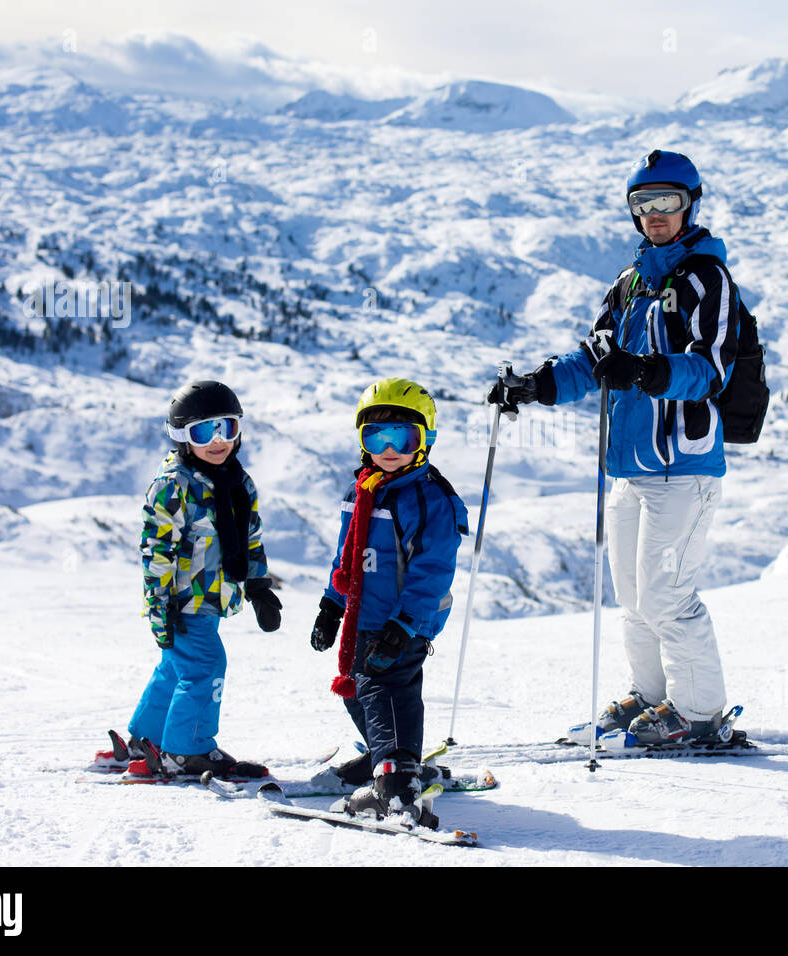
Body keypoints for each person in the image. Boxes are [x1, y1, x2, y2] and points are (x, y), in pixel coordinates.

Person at [487, 149, 740, 745]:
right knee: (632, 596)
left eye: (667, 202)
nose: (655, 214)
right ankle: (652, 699)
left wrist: (647, 371)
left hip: (684, 467)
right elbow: (595, 359)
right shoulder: (628, 284)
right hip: (628, 466)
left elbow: (711, 369)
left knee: (666, 593)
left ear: (690, 204)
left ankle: (700, 716)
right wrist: (536, 384)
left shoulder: (709, 277)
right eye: (643, 203)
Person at [310, 378, 468, 826]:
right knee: (360, 693)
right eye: (375, 436)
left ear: (426, 438)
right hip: (364, 616)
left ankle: (396, 791)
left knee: (388, 691)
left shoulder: (430, 497)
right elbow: (347, 556)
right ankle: (390, 758)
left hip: (404, 621)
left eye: (402, 435)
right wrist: (331, 605)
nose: (388, 447)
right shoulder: (361, 489)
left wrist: (404, 626)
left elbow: (433, 570)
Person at [124, 380, 281, 776]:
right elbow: (156, 553)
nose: (217, 441)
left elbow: (251, 539)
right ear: (182, 437)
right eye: (202, 431)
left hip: (213, 599)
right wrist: (160, 607)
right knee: (205, 666)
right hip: (182, 603)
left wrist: (259, 587)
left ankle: (148, 740)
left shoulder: (239, 484)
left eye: (225, 428)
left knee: (176, 669)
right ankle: (187, 749)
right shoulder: (173, 486)